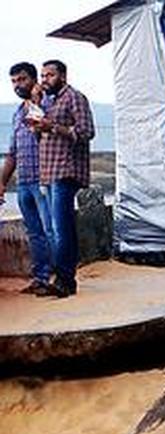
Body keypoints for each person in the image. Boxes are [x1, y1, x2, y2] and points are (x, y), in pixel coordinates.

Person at [34, 59, 94, 298]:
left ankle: (66, 281)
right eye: (42, 75)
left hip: (66, 171)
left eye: (49, 75)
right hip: (49, 172)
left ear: (63, 76)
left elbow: (87, 132)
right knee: (57, 228)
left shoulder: (75, 97)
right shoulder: (48, 102)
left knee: (62, 229)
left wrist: (54, 127)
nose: (44, 80)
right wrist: (39, 126)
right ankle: (60, 278)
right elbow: (44, 136)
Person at [0, 62, 53, 295]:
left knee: (51, 230)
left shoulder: (47, 105)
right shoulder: (16, 113)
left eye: (22, 79)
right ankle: (40, 278)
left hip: (45, 179)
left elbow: (45, 132)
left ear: (33, 80)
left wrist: (37, 100)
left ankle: (57, 279)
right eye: (13, 81)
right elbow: (13, 152)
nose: (17, 85)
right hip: (24, 183)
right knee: (34, 233)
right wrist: (2, 182)